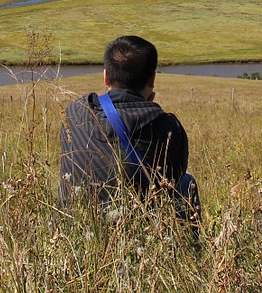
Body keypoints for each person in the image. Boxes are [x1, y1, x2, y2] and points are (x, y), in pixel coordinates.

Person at [59, 35, 197, 220]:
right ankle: (191, 245)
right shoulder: (168, 126)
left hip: (76, 221)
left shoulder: (75, 111)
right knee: (188, 182)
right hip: (139, 223)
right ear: (152, 79)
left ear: (106, 77)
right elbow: (173, 179)